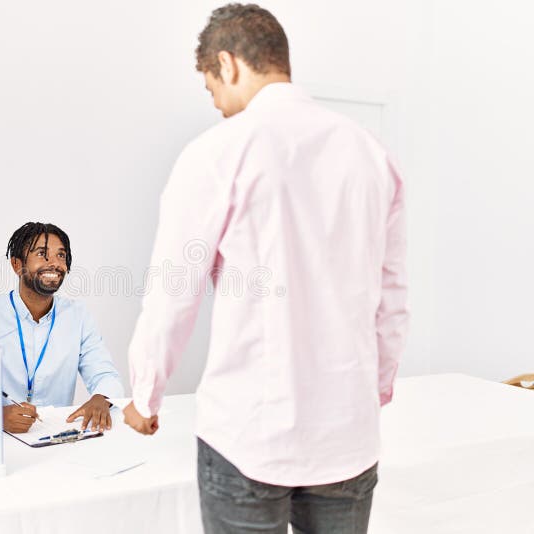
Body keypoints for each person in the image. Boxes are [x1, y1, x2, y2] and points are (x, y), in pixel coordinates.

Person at [123, 4, 409, 533]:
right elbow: (392, 297)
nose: (218, 105)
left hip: (249, 430)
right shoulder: (371, 152)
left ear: (227, 65)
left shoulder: (218, 152)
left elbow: (173, 290)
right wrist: (374, 389)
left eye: (212, 89)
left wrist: (146, 393)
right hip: (347, 432)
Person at [0, 222, 124, 434]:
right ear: (17, 265)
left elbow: (105, 374)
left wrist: (102, 398)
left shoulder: (78, 316)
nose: (54, 263)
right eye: (42, 254)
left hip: (58, 435)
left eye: (61, 256)